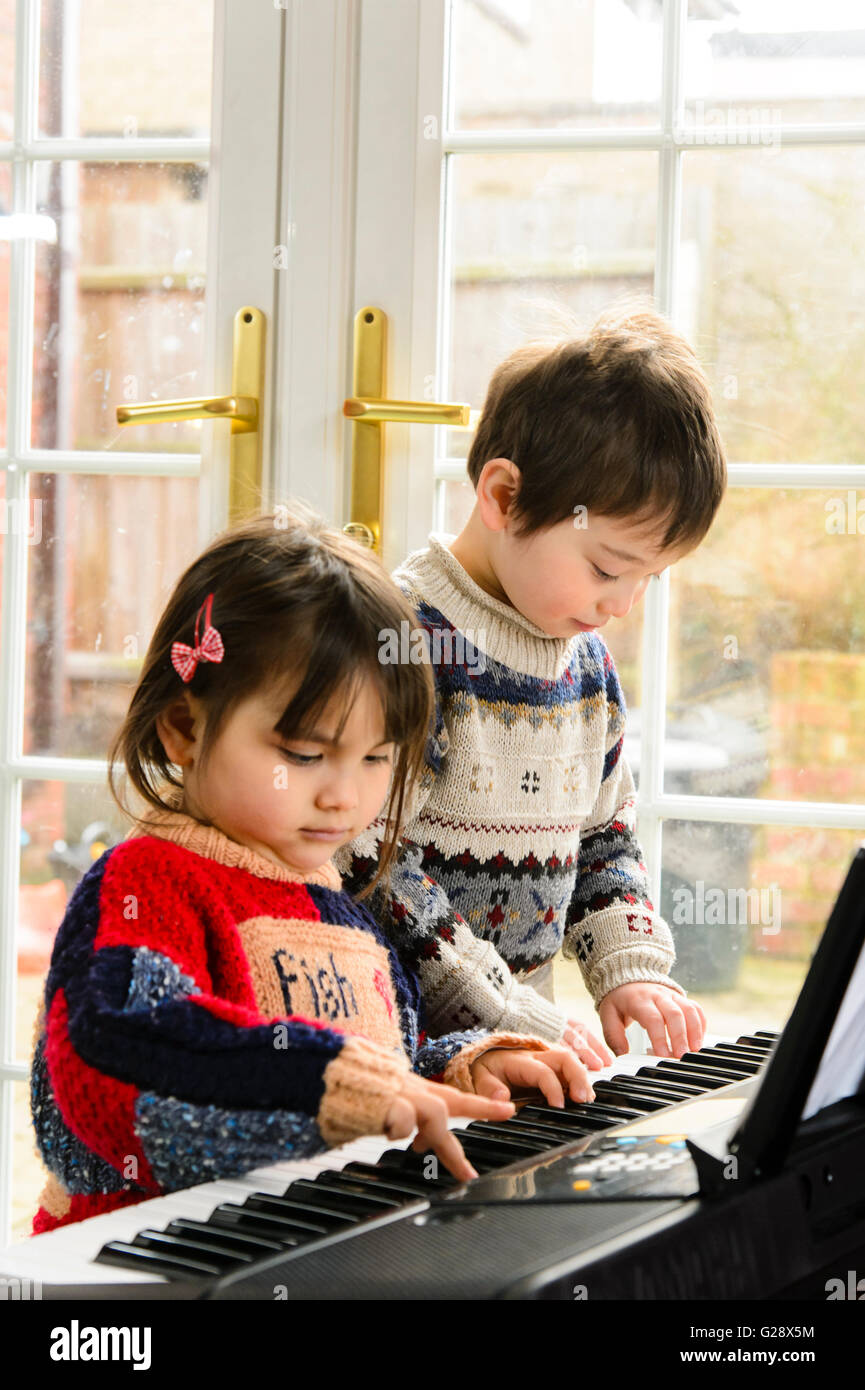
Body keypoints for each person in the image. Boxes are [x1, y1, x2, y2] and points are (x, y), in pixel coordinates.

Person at [29, 506, 592, 1234]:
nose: (342, 795)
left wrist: (459, 1072)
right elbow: (119, 1046)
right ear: (184, 728)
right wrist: (326, 1081)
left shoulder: (341, 907)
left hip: (302, 1244)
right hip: (143, 1257)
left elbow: (376, 1063)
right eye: (302, 755)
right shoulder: (147, 883)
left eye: (376, 758)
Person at [336, 299, 725, 1068]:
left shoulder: (586, 668)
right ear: (503, 497)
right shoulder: (402, 645)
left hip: (521, 1051)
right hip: (409, 1056)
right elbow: (367, 860)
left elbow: (601, 837)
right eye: (609, 568)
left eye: (649, 579)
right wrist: (497, 1005)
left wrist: (628, 966)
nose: (621, 604)